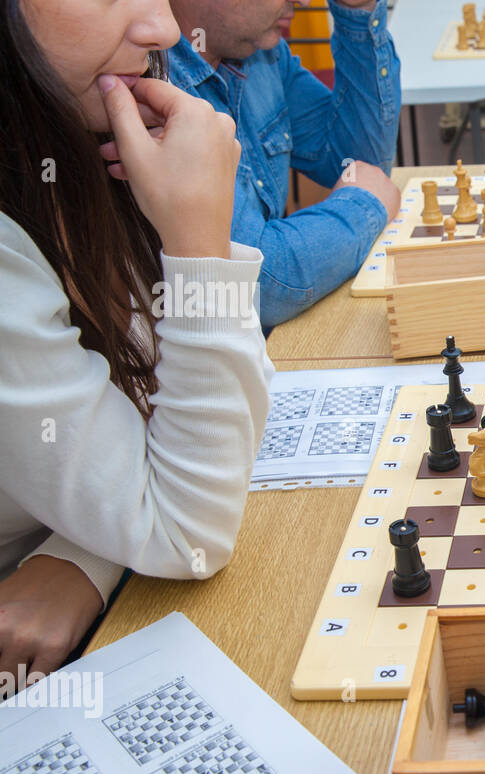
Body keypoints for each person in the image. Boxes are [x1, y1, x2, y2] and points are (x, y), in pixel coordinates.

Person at [0, 0, 273, 688]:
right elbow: (191, 531)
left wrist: (84, 559)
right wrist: (198, 246)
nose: (166, 30)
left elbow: (214, 418)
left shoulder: (69, 154)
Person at [166, 0, 401, 330]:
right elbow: (257, 286)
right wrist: (363, 206)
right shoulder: (156, 91)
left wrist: (358, 13)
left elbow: (360, 163)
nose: (303, 2)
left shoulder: (260, 52)